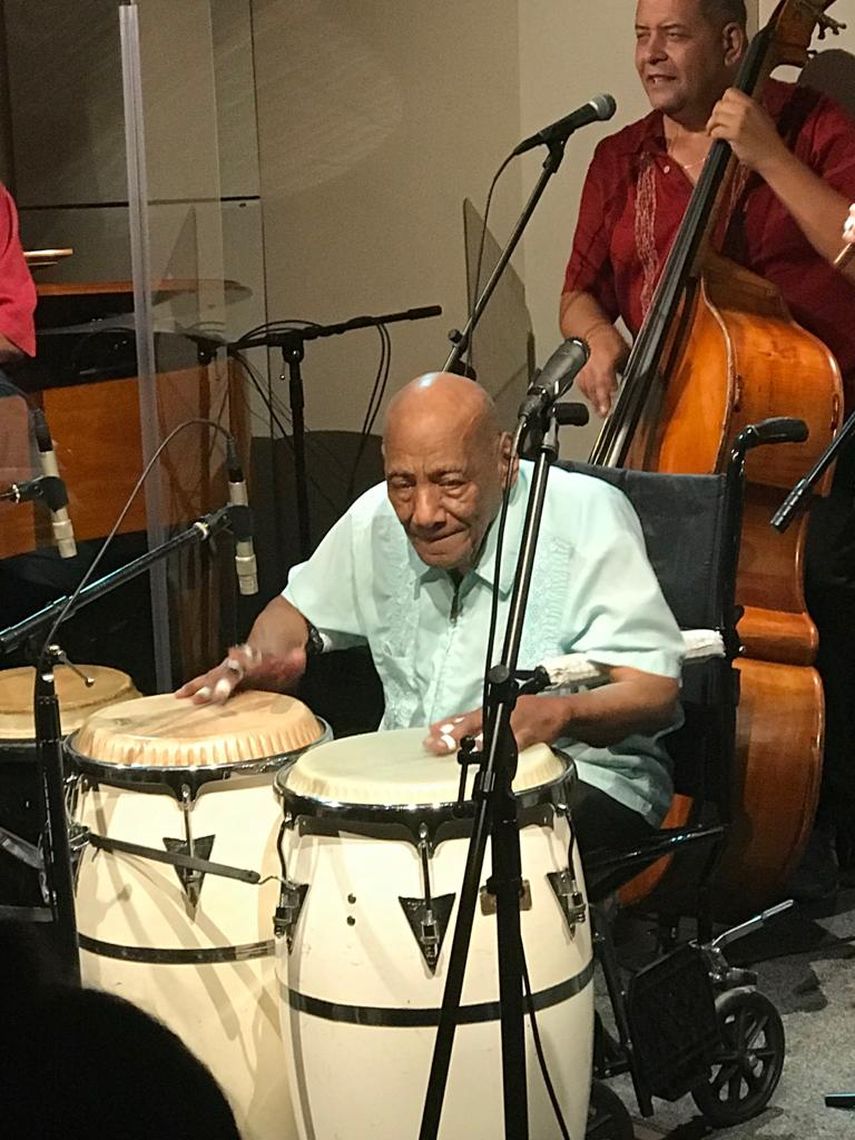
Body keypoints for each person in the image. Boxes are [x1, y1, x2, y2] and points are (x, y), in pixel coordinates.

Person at [559, 0, 855, 896]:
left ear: (733, 44)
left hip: (812, 439)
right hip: (673, 438)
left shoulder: (814, 127)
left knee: (827, 596)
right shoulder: (620, 159)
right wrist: (596, 340)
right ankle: (684, 829)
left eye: (672, 35)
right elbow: (578, 292)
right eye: (641, 36)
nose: (650, 55)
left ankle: (817, 824)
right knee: (653, 615)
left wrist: (766, 153)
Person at [179, 372, 684, 852]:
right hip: (413, 781)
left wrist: (561, 712)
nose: (423, 513)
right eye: (403, 483)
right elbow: (291, 611)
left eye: (449, 483)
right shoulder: (375, 518)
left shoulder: (587, 514)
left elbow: (654, 689)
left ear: (505, 459)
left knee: (451, 852)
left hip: (576, 777)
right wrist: (262, 654)